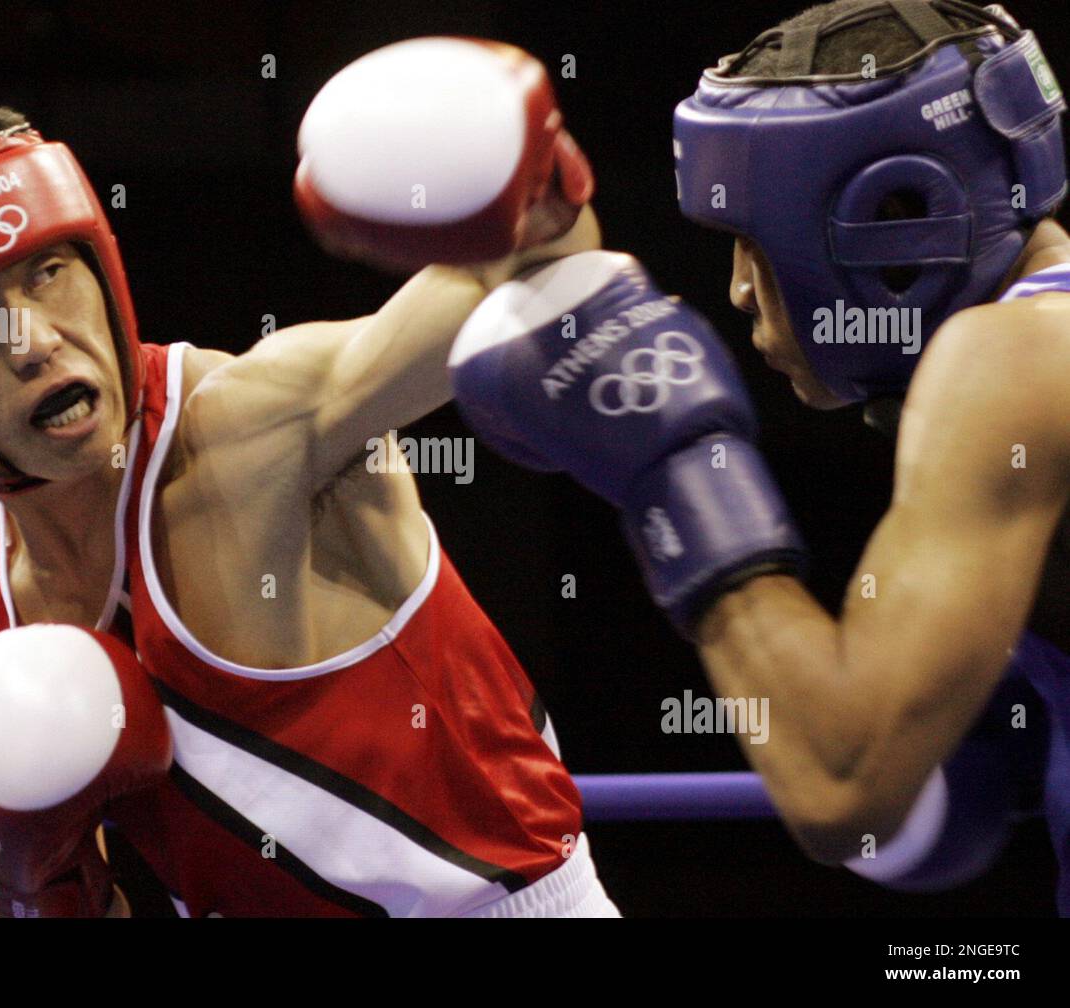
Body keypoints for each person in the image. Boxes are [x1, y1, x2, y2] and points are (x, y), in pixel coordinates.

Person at [0, 35, 618, 917]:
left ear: (100, 268)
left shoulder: (257, 426)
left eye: (49, 273)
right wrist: (32, 883)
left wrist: (523, 174)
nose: (34, 342)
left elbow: (547, 279)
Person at [448, 0, 1070, 911]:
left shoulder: (1008, 364)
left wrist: (677, 472)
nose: (739, 290)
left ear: (897, 215)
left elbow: (841, 784)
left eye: (759, 241)